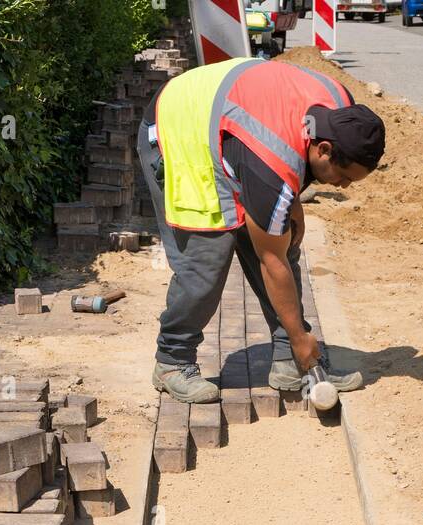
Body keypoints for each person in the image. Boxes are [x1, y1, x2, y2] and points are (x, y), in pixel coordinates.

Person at [137, 57, 385, 404]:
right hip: (181, 127)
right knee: (207, 259)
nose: (343, 186)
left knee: (284, 235)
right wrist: (301, 336)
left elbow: (288, 155)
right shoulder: (271, 159)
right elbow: (272, 261)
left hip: (234, 127)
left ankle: (289, 360)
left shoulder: (343, 112)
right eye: (343, 177)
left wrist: (291, 200)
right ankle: (172, 361)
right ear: (324, 149)